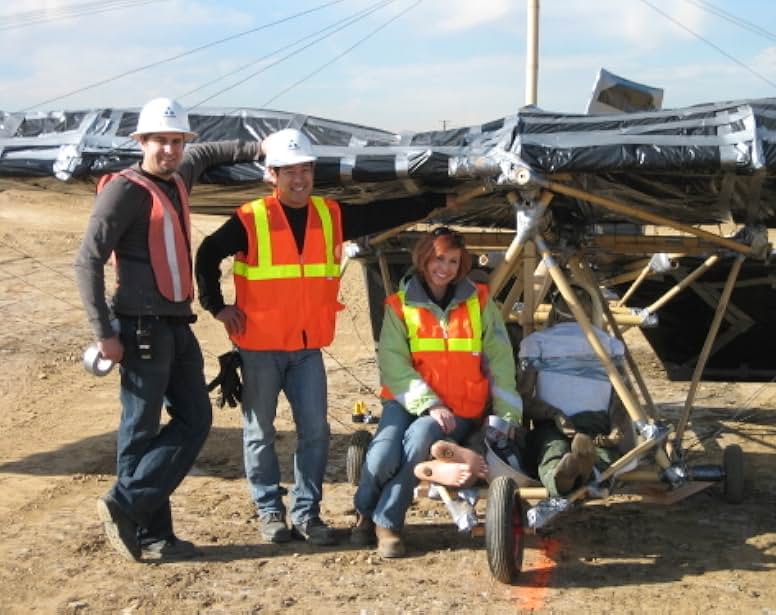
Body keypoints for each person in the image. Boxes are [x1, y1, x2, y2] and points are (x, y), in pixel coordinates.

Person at [195, 128, 457, 547]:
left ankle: (307, 514)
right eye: (290, 172)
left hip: (306, 349)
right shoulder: (251, 218)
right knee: (259, 432)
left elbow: (381, 214)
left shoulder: (329, 216)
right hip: (260, 347)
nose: (299, 180)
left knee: (314, 432)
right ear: (273, 175)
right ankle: (269, 512)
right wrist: (216, 306)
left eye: (306, 170)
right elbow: (207, 254)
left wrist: (434, 202)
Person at [75, 97, 268, 562]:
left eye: (177, 141)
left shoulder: (180, 173)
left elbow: (208, 153)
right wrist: (105, 333)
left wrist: (259, 148)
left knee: (195, 418)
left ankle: (132, 512)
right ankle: (147, 531)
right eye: (161, 140)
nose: (170, 149)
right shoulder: (124, 191)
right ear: (141, 141)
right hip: (140, 326)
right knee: (139, 430)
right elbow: (88, 261)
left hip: (178, 324)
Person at [351, 228, 523, 557]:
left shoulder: (480, 302)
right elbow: (393, 363)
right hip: (408, 401)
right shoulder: (399, 307)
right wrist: (428, 403)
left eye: (454, 261)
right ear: (424, 258)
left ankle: (387, 524)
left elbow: (500, 359)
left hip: (459, 408)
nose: (445, 267)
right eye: (439, 259)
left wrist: (507, 414)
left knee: (420, 437)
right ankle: (364, 512)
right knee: (383, 454)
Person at [518, 286, 627, 497]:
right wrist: (616, 430)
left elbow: (523, 397)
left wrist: (554, 415)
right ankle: (591, 469)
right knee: (605, 455)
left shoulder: (537, 342)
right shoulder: (611, 345)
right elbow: (621, 397)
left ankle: (561, 475)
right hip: (596, 424)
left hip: (552, 423)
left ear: (555, 312)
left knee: (549, 450)